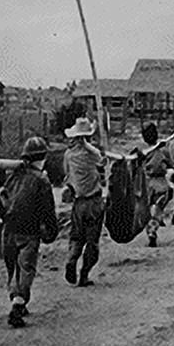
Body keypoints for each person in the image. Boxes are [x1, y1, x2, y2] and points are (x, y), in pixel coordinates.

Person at [1, 136, 59, 327]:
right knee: (26, 268)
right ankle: (18, 303)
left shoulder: (13, 175)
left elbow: (4, 199)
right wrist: (52, 230)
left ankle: (16, 298)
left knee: (12, 268)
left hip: (8, 229)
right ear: (43, 157)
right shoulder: (41, 180)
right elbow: (48, 209)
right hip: (29, 231)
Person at [62, 117, 106, 287]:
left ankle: (71, 259)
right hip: (94, 201)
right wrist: (88, 144)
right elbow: (102, 161)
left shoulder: (69, 155)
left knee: (76, 237)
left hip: (78, 203)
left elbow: (67, 176)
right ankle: (84, 274)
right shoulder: (91, 154)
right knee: (92, 242)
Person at [141, 121, 172, 246]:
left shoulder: (143, 151)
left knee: (147, 208)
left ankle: (149, 227)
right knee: (159, 207)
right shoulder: (163, 150)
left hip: (146, 183)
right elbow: (170, 163)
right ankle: (154, 227)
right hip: (161, 182)